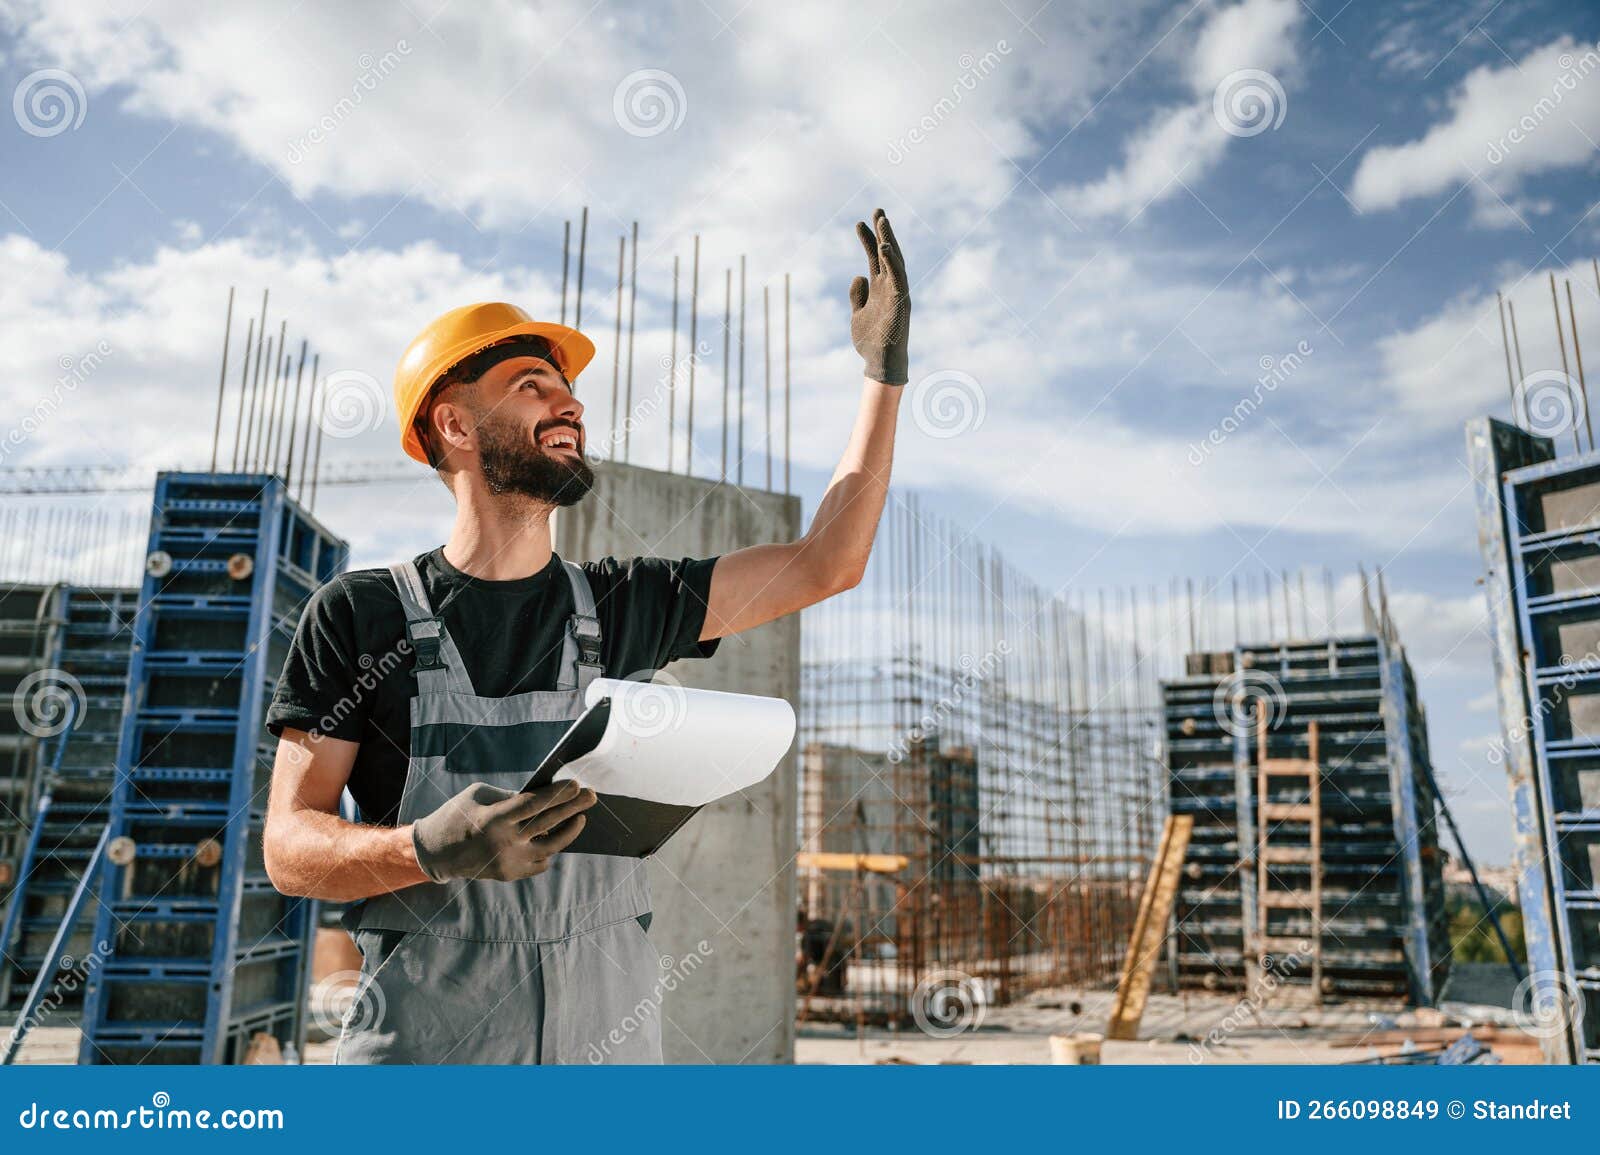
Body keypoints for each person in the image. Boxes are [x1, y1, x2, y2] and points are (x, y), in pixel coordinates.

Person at [261, 210, 912, 1064]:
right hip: (425, 1053)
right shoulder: (359, 615)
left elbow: (827, 562)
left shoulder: (624, 606)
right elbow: (289, 847)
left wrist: (882, 375)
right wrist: (426, 848)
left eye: (566, 388)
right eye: (531, 383)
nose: (567, 400)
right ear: (453, 425)